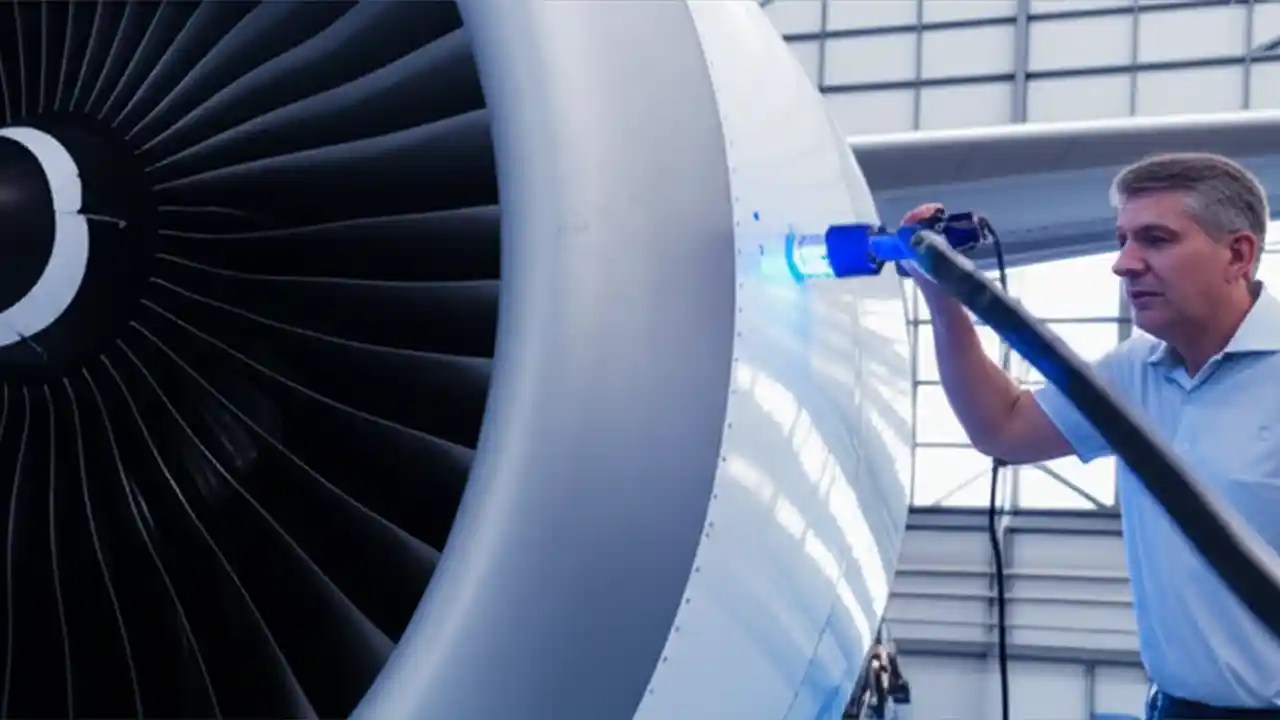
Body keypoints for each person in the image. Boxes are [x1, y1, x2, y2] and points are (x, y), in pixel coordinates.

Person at [900, 151, 1280, 720]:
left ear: (1238, 253)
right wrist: (942, 295)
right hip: (1176, 708)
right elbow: (1002, 427)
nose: (1124, 264)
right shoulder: (1137, 369)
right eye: (1122, 239)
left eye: (1156, 239)